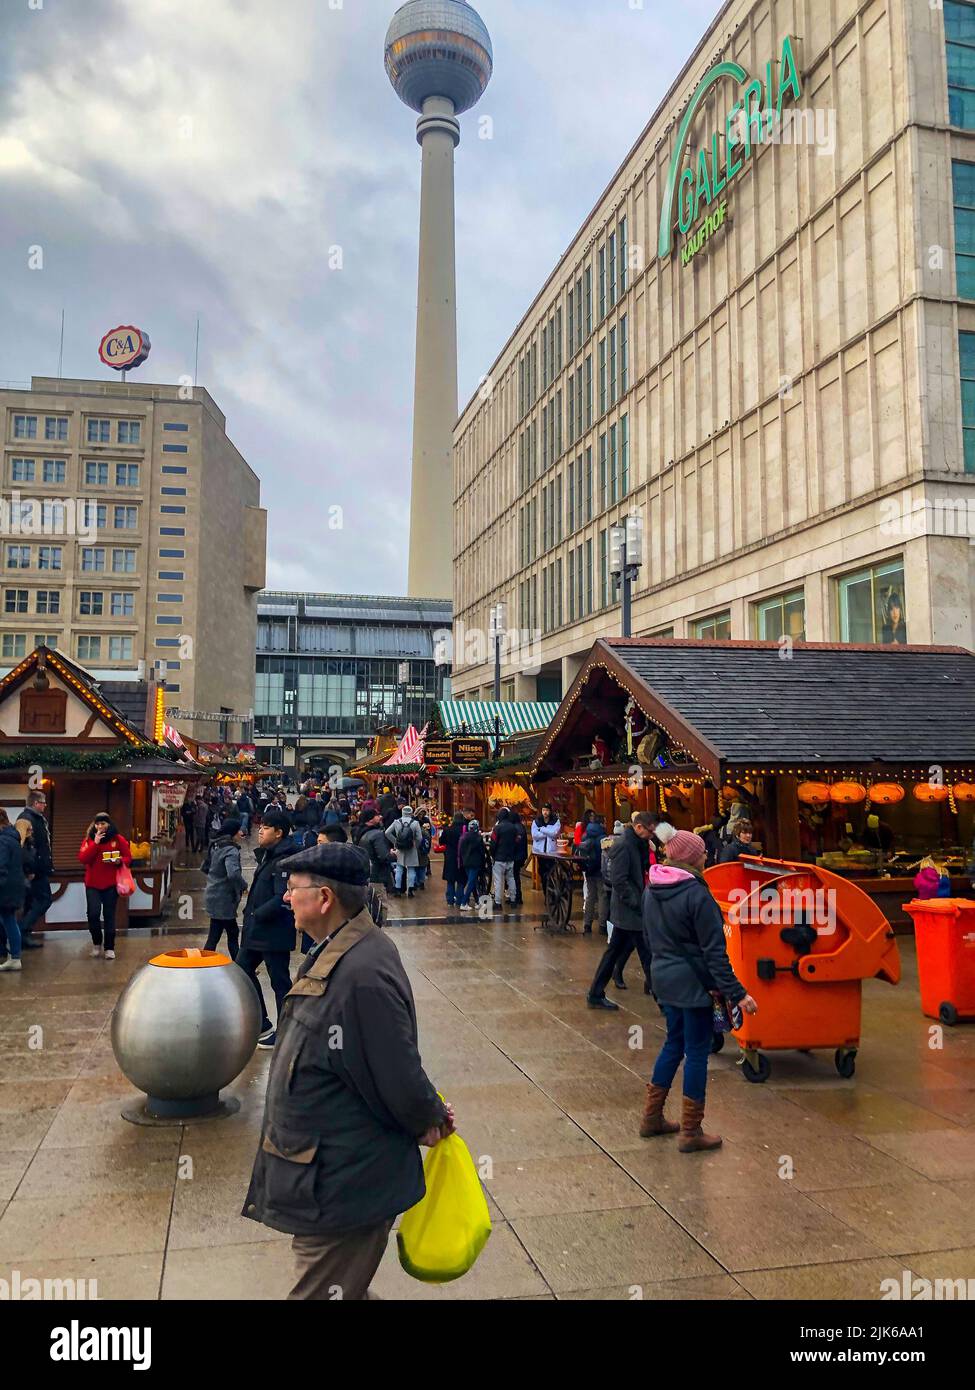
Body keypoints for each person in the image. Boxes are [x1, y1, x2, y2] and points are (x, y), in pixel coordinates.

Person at [242, 842, 453, 1300]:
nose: (284, 897)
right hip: (327, 1172)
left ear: (324, 899)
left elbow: (394, 1069)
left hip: (343, 1180)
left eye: (292, 888)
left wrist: (427, 1116)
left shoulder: (360, 972)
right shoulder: (339, 950)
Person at [641, 829, 757, 1151]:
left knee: (673, 1044)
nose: (707, 857)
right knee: (695, 1051)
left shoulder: (651, 890)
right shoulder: (697, 895)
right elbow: (715, 954)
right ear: (692, 857)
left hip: (664, 979)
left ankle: (651, 1118)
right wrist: (738, 993)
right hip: (693, 986)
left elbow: (648, 941)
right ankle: (690, 1132)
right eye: (703, 853)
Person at [239, 808, 299, 1049]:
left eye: (265, 827)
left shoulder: (284, 859)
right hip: (257, 931)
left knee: (279, 981)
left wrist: (257, 913)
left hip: (273, 931)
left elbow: (282, 896)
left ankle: (287, 1031)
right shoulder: (269, 855)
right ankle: (261, 1022)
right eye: (260, 826)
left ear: (279, 833)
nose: (260, 830)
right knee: (242, 970)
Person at [587, 811, 656, 1009]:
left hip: (630, 909)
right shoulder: (624, 845)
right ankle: (666, 1005)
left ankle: (595, 992)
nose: (652, 835)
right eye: (649, 831)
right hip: (629, 910)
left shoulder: (637, 843)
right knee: (646, 954)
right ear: (639, 827)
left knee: (616, 952)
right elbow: (619, 879)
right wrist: (636, 902)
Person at [78, 814, 132, 960]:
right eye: (97, 824)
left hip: (110, 883)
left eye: (103, 823)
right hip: (92, 884)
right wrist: (95, 843)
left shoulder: (117, 839)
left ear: (108, 824)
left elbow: (128, 857)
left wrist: (119, 861)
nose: (100, 827)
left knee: (109, 915)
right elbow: (83, 858)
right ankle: (96, 942)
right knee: (93, 914)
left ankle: (109, 947)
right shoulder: (89, 839)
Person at [203, 817, 247, 959]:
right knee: (230, 932)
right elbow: (233, 874)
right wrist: (244, 886)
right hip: (224, 899)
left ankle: (207, 959)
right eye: (239, 830)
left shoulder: (216, 845)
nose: (241, 833)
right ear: (233, 833)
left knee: (219, 933)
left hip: (213, 894)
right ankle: (240, 964)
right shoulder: (231, 851)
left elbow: (206, 867)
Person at [15, 788, 52, 949]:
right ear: (36, 803)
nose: (45, 806)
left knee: (30, 903)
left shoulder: (37, 818)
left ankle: (24, 936)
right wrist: (29, 869)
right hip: (34, 870)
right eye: (43, 803)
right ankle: (22, 930)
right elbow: (24, 846)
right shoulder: (27, 819)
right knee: (45, 900)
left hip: (39, 868)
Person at [0, 809, 28, 973]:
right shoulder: (13, 838)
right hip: (13, 885)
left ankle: (15, 957)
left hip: (5, 887)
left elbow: (1, 865)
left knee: (9, 921)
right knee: (9, 920)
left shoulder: (3, 841)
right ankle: (14, 956)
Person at [577, 814, 608, 934]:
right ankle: (602, 924)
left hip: (589, 868)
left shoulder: (586, 835)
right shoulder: (603, 837)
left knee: (590, 896)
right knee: (602, 896)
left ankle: (587, 924)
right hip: (600, 870)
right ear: (601, 824)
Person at [355, 811, 393, 909]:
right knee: (381, 906)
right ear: (371, 819)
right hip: (378, 875)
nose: (380, 816)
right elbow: (384, 856)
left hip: (366, 874)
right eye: (377, 815)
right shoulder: (377, 835)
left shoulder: (360, 832)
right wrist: (393, 855)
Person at [386, 805, 422, 898]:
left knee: (399, 869)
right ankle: (410, 889)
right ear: (411, 813)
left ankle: (398, 889)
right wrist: (415, 845)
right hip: (411, 848)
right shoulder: (415, 823)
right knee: (411, 869)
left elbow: (387, 833)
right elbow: (419, 838)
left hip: (400, 848)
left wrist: (395, 842)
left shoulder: (397, 822)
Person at [489, 808, 520, 910]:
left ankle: (498, 902)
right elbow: (517, 842)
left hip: (499, 858)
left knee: (498, 880)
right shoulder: (514, 828)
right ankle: (513, 900)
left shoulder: (497, 828)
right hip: (510, 858)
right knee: (511, 879)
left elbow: (493, 844)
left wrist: (492, 854)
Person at [531, 804, 561, 896]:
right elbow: (534, 835)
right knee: (542, 872)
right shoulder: (537, 821)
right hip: (540, 851)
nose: (545, 812)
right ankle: (546, 893)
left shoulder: (555, 821)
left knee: (551, 872)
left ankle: (551, 892)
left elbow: (555, 833)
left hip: (551, 851)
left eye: (547, 810)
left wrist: (543, 829)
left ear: (550, 811)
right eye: (544, 810)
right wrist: (547, 833)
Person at [457, 819, 486, 910]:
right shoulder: (478, 838)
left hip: (466, 862)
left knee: (472, 882)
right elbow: (482, 851)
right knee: (471, 882)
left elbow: (460, 849)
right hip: (475, 862)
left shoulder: (464, 837)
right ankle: (464, 902)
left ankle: (478, 902)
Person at [439, 813, 466, 908]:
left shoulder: (448, 830)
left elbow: (441, 841)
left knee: (450, 880)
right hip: (461, 857)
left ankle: (450, 900)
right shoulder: (464, 830)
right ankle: (459, 900)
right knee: (461, 880)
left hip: (450, 857)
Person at [414, 813, 432, 891]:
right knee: (422, 868)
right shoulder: (426, 832)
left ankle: (415, 883)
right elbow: (429, 841)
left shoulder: (413, 832)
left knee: (415, 868)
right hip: (423, 852)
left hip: (415, 852)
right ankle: (421, 882)